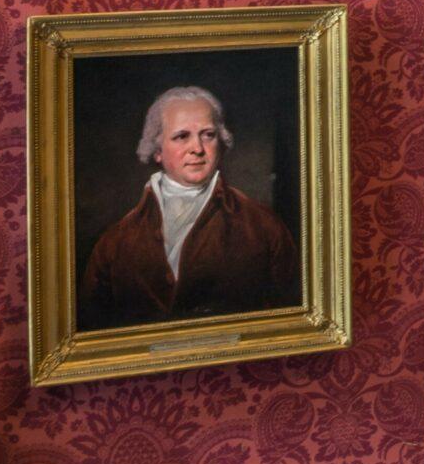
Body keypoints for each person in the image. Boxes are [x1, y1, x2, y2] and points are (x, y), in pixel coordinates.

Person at [77, 86, 297, 328]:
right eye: (182, 136)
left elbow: (289, 317)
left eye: (208, 135)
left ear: (221, 141)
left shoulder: (263, 226)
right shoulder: (115, 242)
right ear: (157, 150)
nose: (198, 148)